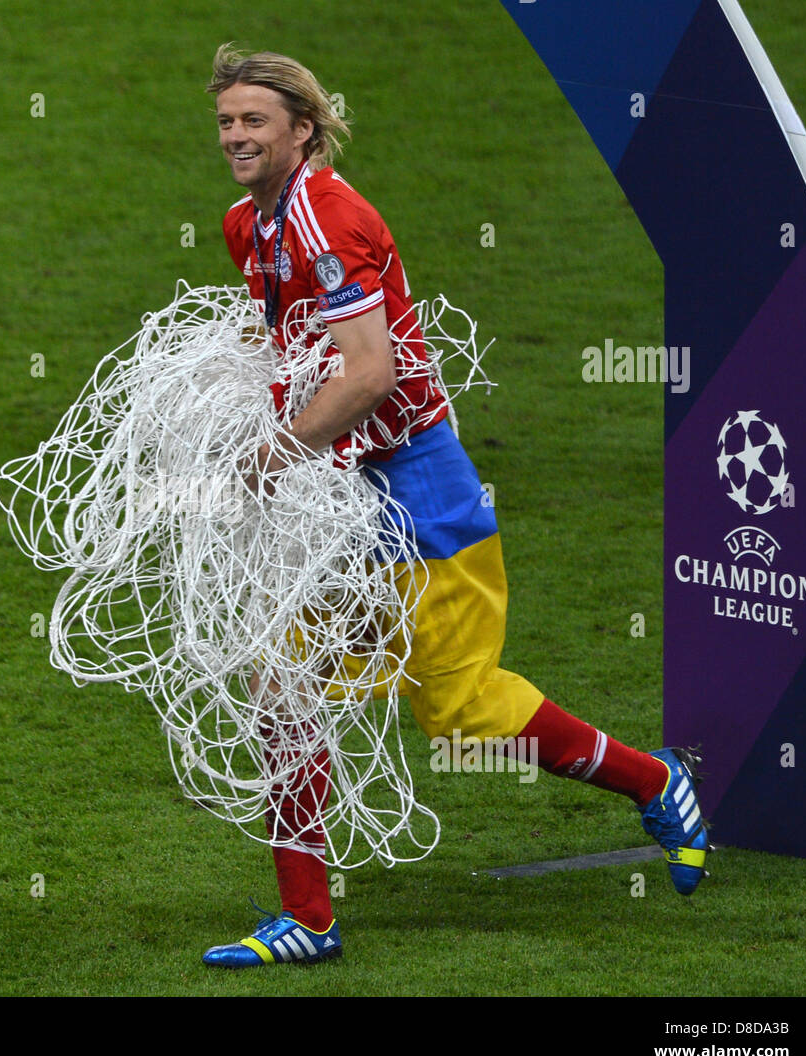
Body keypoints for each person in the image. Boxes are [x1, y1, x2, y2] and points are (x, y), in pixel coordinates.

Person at [200, 44, 710, 968]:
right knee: (280, 683)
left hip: (418, 492)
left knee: (461, 710)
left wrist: (274, 453)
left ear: (303, 130)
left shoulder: (328, 217)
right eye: (228, 120)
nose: (236, 136)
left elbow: (371, 372)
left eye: (254, 121)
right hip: (343, 499)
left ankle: (653, 776)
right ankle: (308, 920)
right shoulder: (250, 223)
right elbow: (282, 329)